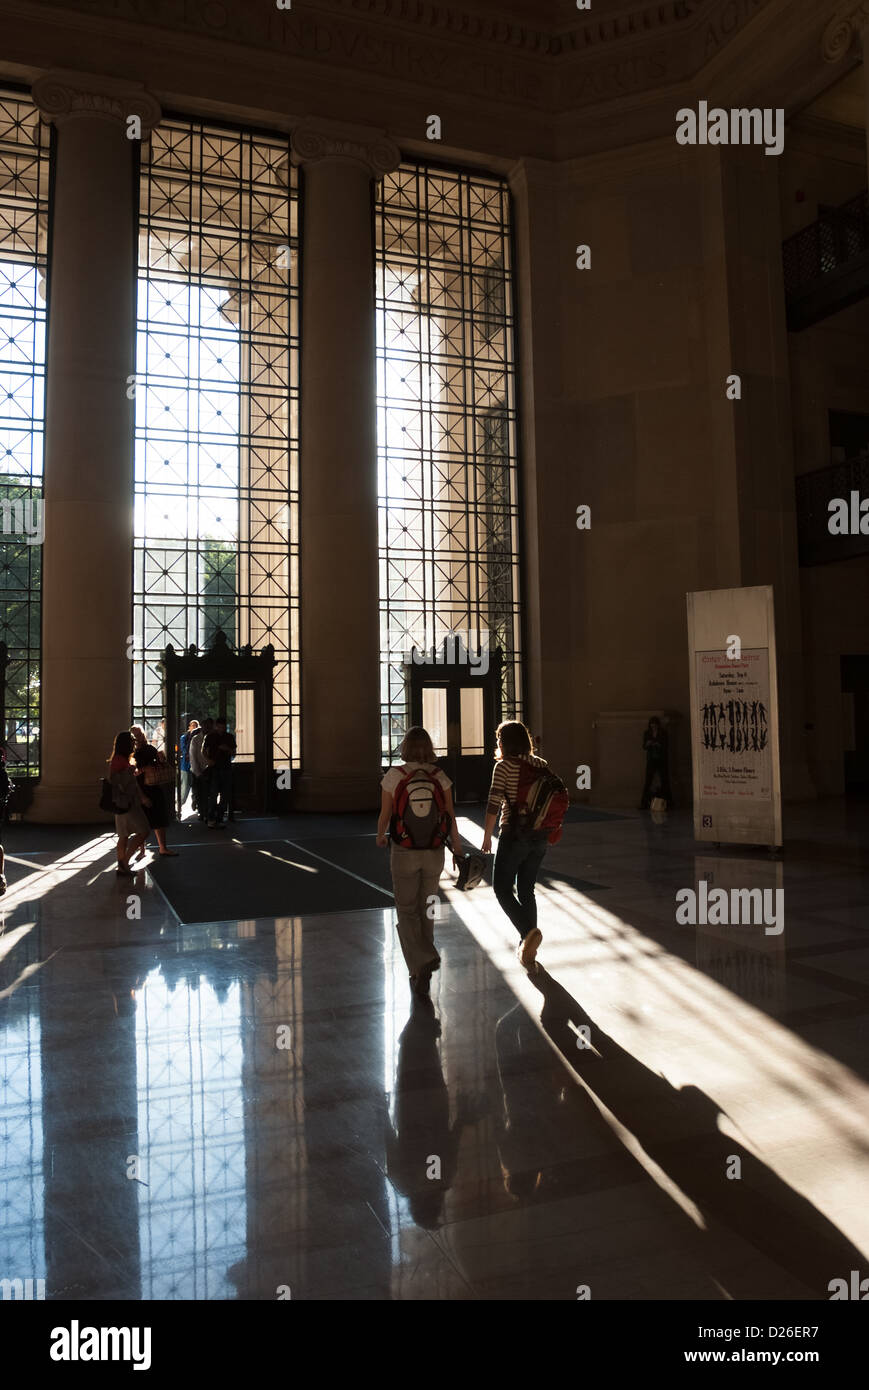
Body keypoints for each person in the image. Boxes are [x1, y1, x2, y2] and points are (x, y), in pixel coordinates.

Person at [377, 726, 462, 998]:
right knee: (428, 905)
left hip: (404, 849)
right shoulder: (441, 777)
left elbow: (385, 813)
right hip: (434, 850)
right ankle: (422, 963)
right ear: (428, 748)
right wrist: (457, 849)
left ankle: (422, 960)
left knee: (406, 908)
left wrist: (380, 835)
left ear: (405, 748)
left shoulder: (394, 776)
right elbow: (450, 817)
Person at [482, 719, 551, 972]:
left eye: (500, 738)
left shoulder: (504, 766)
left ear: (506, 742)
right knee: (527, 889)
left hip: (514, 835)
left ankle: (528, 933)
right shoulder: (541, 765)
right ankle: (528, 950)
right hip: (540, 836)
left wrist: (487, 835)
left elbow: (493, 802)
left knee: (501, 888)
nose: (497, 743)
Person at [130, 724, 178, 857]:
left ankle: (160, 848)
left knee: (156, 818)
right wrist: (146, 769)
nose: (138, 737)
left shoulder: (147, 749)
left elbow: (159, 765)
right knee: (143, 820)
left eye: (139, 734)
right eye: (135, 735)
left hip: (151, 786)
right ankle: (145, 849)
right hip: (142, 787)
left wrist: (160, 760)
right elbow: (131, 772)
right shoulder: (135, 752)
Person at [108, 731, 151, 875]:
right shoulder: (121, 760)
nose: (134, 743)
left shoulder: (119, 759)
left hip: (122, 802)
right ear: (126, 744)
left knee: (124, 834)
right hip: (127, 802)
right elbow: (116, 780)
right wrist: (129, 772)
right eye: (132, 741)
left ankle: (122, 866)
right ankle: (124, 862)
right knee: (144, 830)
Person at [203, 716, 236, 827]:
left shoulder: (229, 737)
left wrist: (227, 749)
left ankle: (219, 818)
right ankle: (211, 818)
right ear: (217, 726)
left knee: (225, 796)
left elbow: (233, 753)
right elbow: (203, 751)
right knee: (213, 794)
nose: (222, 729)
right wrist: (208, 760)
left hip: (226, 768)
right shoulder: (210, 737)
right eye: (220, 727)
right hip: (215, 768)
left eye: (223, 727)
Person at [640, 716, 672, 809]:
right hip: (651, 759)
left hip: (661, 759)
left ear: (658, 725)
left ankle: (668, 803)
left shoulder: (663, 733)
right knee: (648, 781)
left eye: (655, 724)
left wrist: (659, 745)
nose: (653, 726)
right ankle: (644, 803)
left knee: (664, 780)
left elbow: (666, 745)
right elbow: (644, 746)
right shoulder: (647, 733)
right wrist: (648, 744)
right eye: (652, 724)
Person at [188, 717, 212, 821]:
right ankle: (203, 812)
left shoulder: (211, 739)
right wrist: (198, 773)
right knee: (200, 793)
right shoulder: (196, 739)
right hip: (199, 770)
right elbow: (193, 757)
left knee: (208, 793)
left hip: (209, 769)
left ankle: (207, 812)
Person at [179, 718, 199, 814]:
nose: (194, 728)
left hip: (196, 766)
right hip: (186, 766)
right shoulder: (184, 737)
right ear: (189, 727)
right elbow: (184, 750)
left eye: (196, 726)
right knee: (185, 788)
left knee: (196, 787)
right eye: (193, 726)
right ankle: (179, 805)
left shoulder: (199, 738)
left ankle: (196, 802)